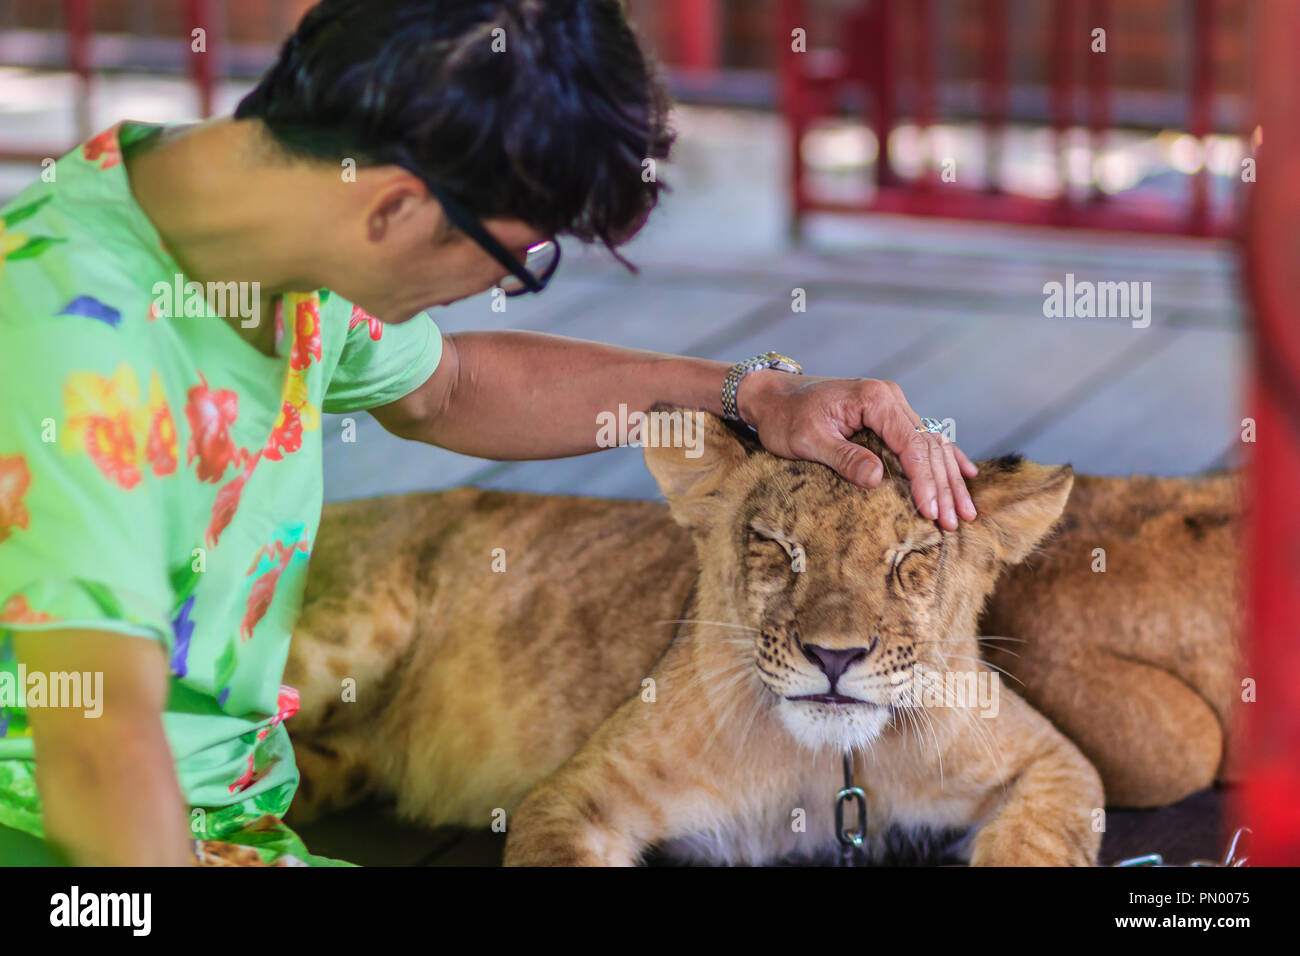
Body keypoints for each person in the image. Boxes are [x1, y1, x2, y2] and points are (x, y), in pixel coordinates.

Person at [0, 0, 977, 866]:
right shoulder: (76, 348)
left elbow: (451, 385)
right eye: (521, 259)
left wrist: (751, 395)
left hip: (226, 822)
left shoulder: (262, 219)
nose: (509, 286)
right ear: (395, 208)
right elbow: (96, 752)